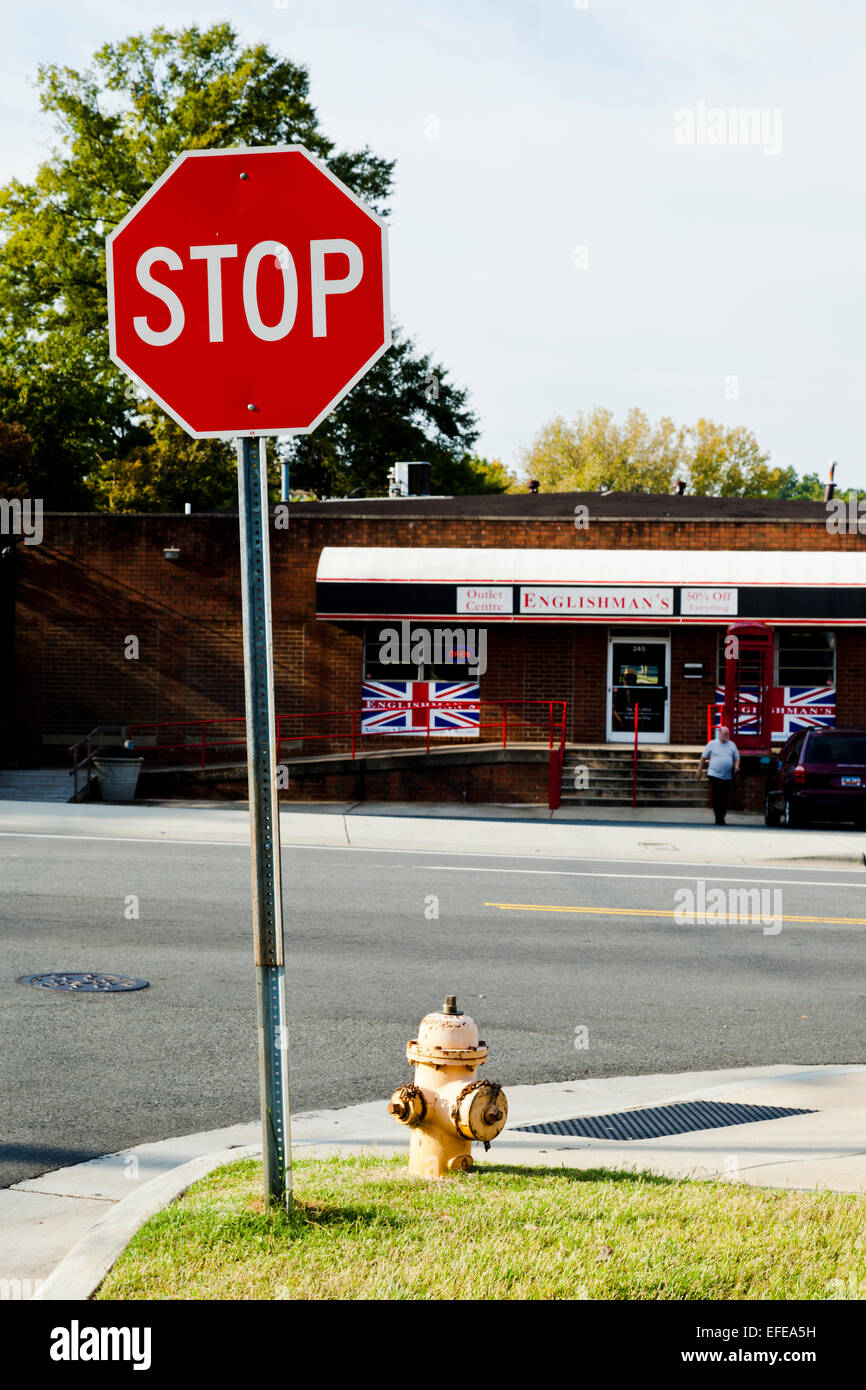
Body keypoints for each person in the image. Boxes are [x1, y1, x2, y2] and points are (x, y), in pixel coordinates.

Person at [696, 726, 740, 825]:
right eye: (724, 734)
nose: (726, 736)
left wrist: (736, 766)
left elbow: (737, 758)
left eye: (728, 734)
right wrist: (699, 770)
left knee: (724, 797)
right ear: (719, 734)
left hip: (727, 776)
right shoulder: (712, 744)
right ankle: (718, 817)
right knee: (717, 796)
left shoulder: (732, 745)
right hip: (714, 774)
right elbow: (703, 758)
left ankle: (722, 816)